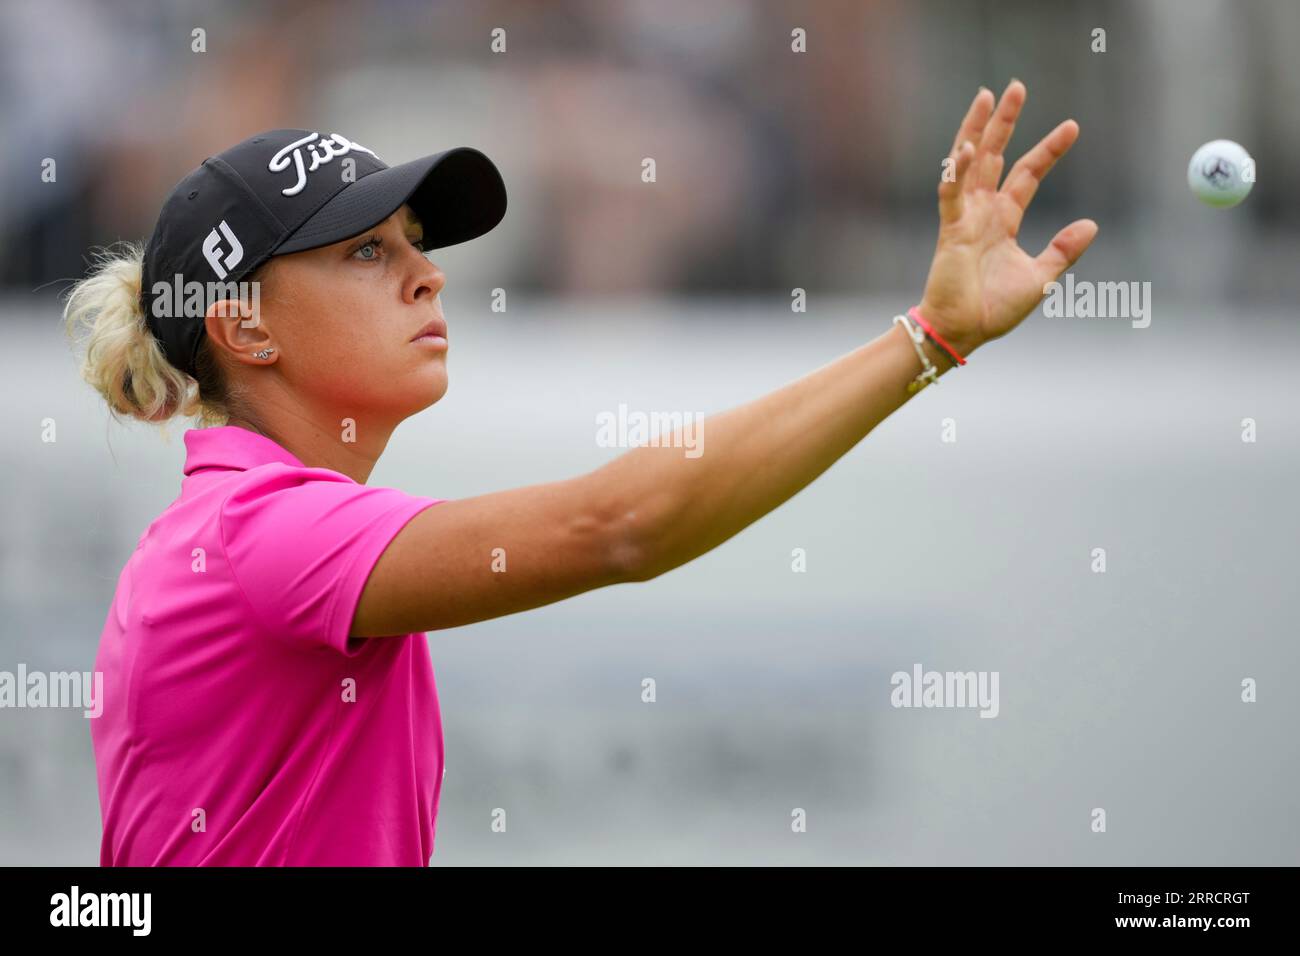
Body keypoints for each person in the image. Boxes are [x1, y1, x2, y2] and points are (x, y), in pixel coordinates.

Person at [62, 81, 1096, 866]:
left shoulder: (246, 526)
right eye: (364, 253)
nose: (428, 271)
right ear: (241, 325)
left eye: (411, 242)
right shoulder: (258, 534)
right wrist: (928, 339)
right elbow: (620, 526)